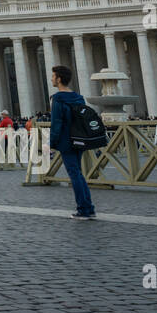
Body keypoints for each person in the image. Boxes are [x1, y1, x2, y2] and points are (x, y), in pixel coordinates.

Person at [49, 65, 96, 220]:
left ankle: (83, 209)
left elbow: (56, 123)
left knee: (74, 174)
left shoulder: (58, 99)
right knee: (78, 173)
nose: (51, 79)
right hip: (79, 139)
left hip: (65, 141)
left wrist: (52, 143)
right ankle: (89, 207)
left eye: (53, 76)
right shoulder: (78, 97)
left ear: (59, 79)